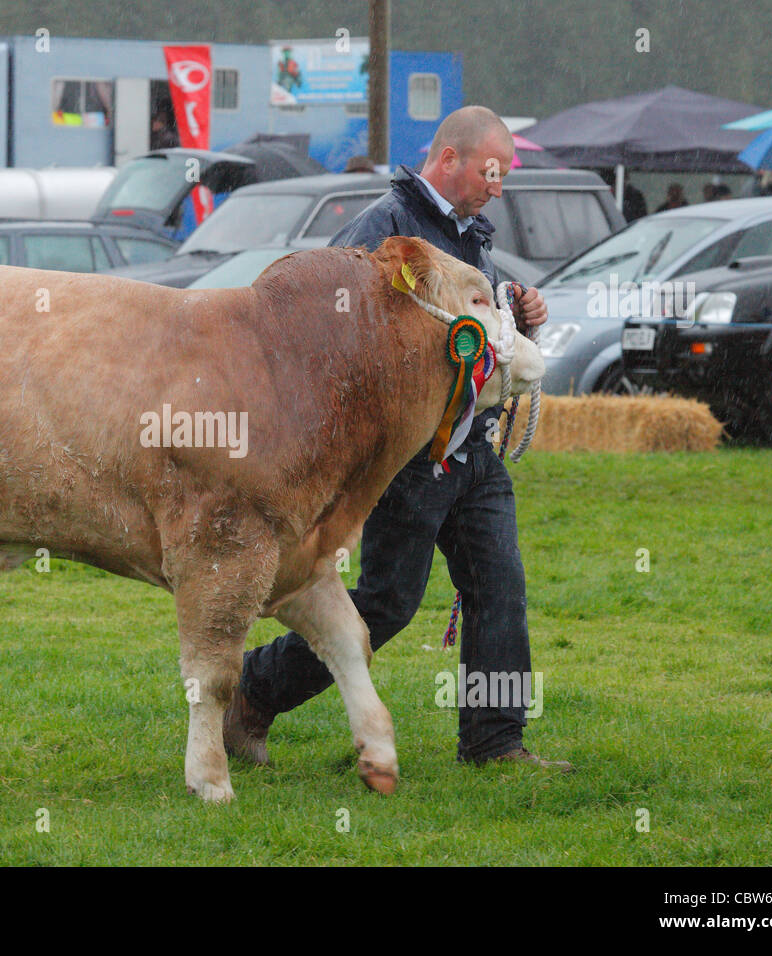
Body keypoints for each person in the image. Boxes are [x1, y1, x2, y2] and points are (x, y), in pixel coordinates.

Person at [223, 105, 572, 772]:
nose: (501, 183)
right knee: (387, 602)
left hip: (472, 447)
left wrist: (518, 315)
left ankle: (496, 743)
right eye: (491, 169)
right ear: (449, 160)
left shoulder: (471, 232)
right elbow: (329, 319)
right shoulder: (385, 225)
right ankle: (251, 693)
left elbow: (470, 329)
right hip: (410, 457)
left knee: (499, 588)